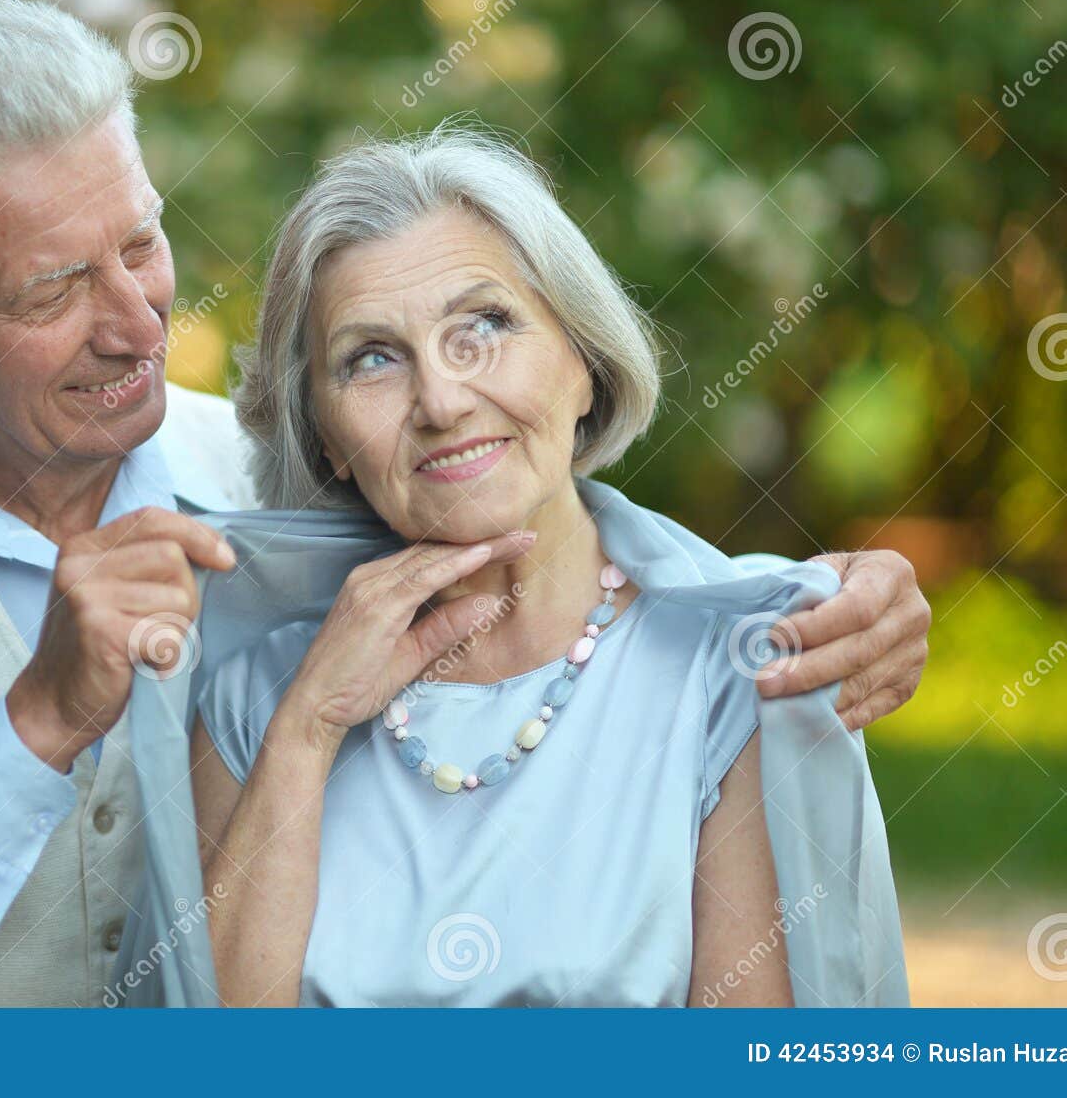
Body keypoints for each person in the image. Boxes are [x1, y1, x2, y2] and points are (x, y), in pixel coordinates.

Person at [0, 0, 927, 1007]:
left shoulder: (275, 483)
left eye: (142, 244)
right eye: (52, 292)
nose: (134, 323)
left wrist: (823, 599)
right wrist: (35, 727)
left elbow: (533, 516)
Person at [189, 129, 915, 1006]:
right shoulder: (257, 694)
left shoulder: (737, 666)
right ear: (325, 438)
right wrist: (307, 729)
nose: (442, 400)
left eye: (485, 325)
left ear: (584, 362)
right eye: (371, 357)